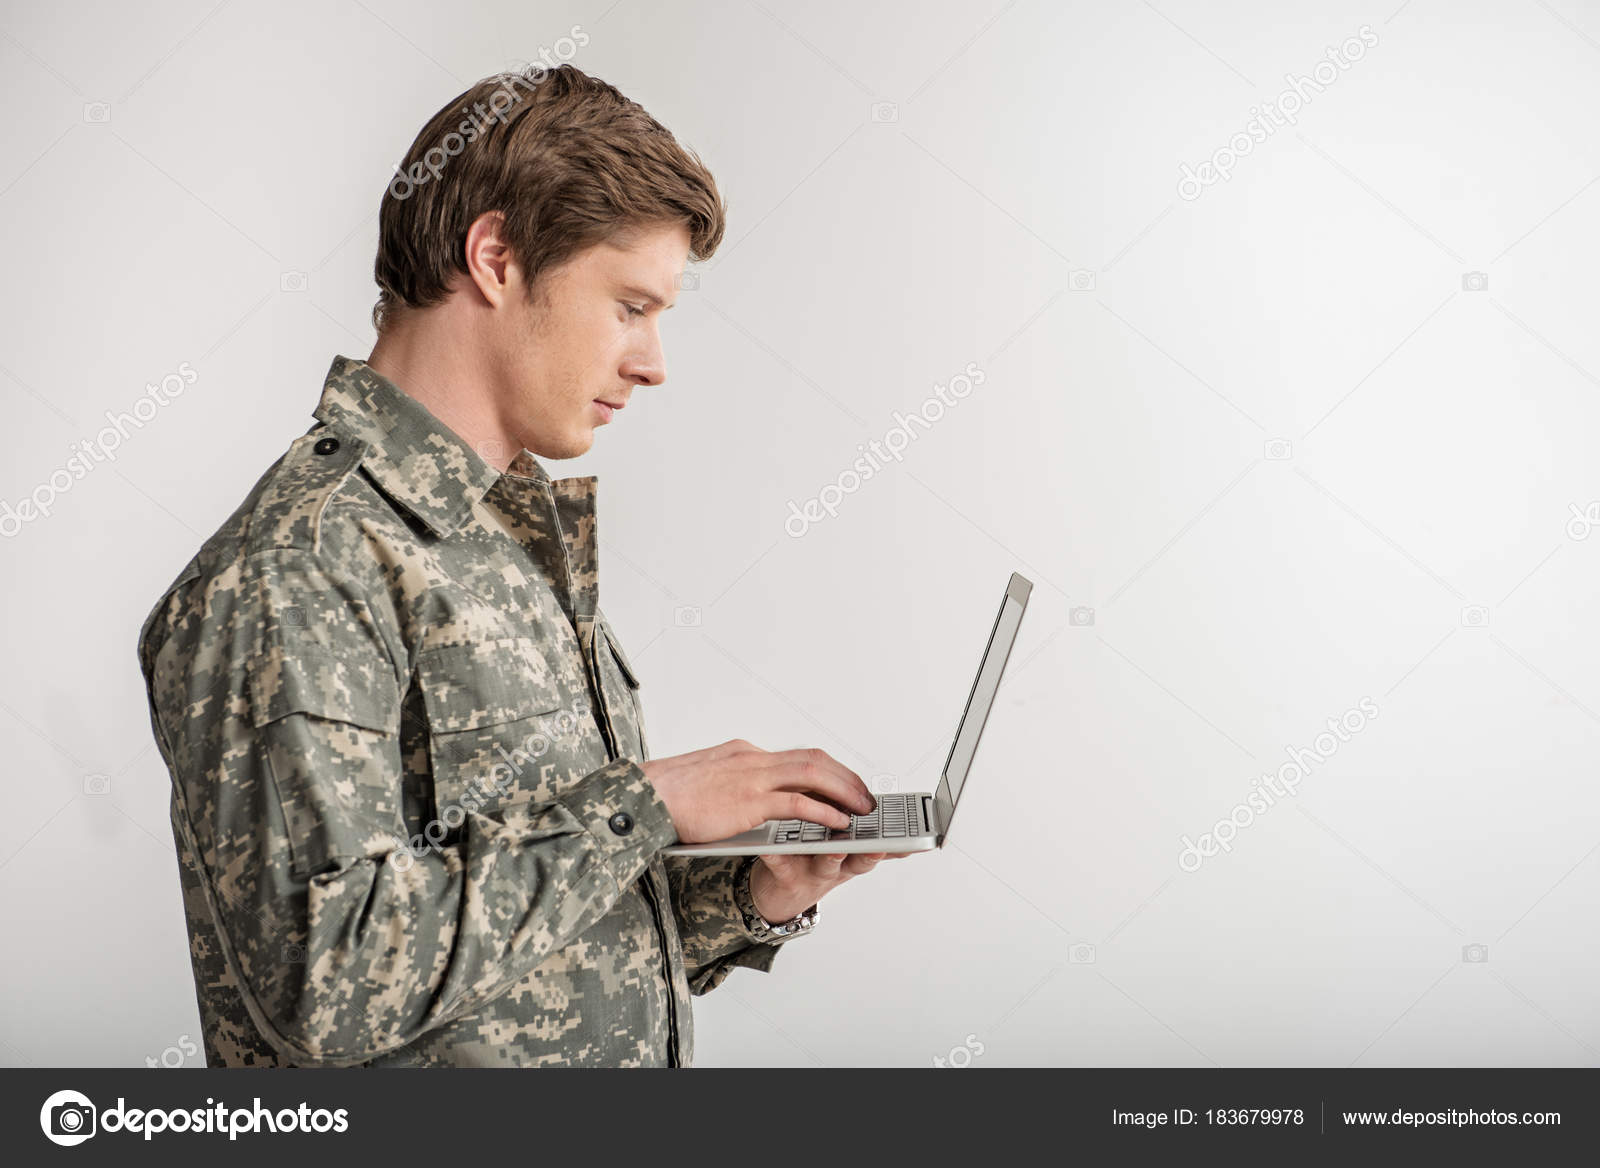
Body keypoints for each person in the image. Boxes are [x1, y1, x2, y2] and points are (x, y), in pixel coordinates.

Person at [135, 63, 898, 1067]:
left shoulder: (499, 542)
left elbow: (529, 967)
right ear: (495, 257)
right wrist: (646, 804)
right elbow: (325, 981)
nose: (653, 359)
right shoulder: (298, 566)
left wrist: (748, 895)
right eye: (630, 304)